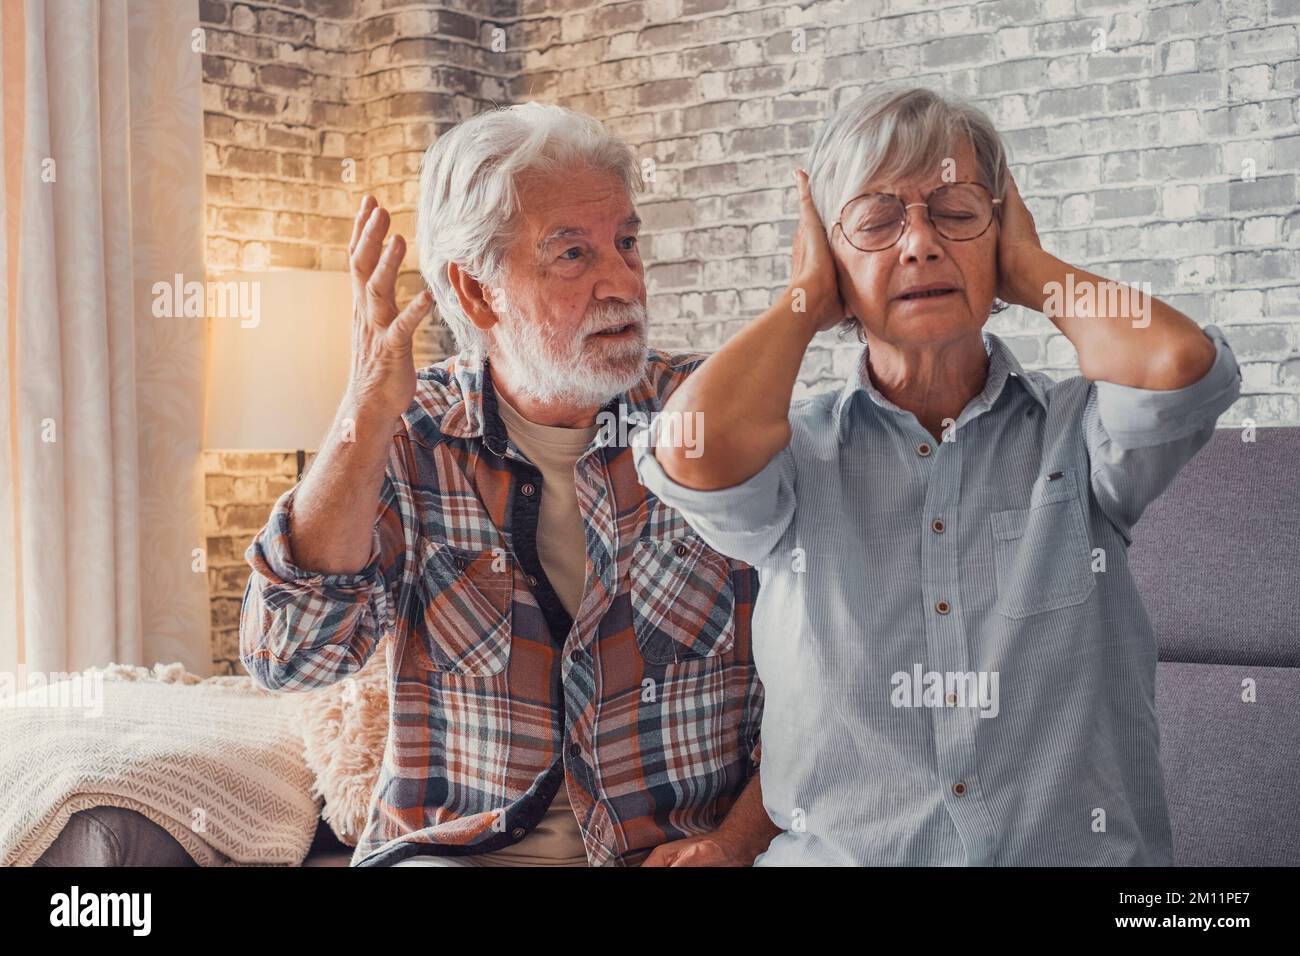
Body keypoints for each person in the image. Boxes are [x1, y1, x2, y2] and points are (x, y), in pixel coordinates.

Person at [633, 86, 1243, 865]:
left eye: (955, 211)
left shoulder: (1077, 436)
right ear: (830, 262)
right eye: (876, 221)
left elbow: (1177, 364)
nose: (919, 243)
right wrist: (802, 298)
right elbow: (691, 447)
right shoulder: (798, 458)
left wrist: (1031, 268)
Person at [240, 103, 774, 867]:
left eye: (626, 241)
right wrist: (362, 411)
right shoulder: (411, 433)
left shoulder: (705, 419)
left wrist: (733, 844)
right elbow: (287, 657)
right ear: (479, 290)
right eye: (573, 255)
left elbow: (816, 687)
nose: (621, 280)